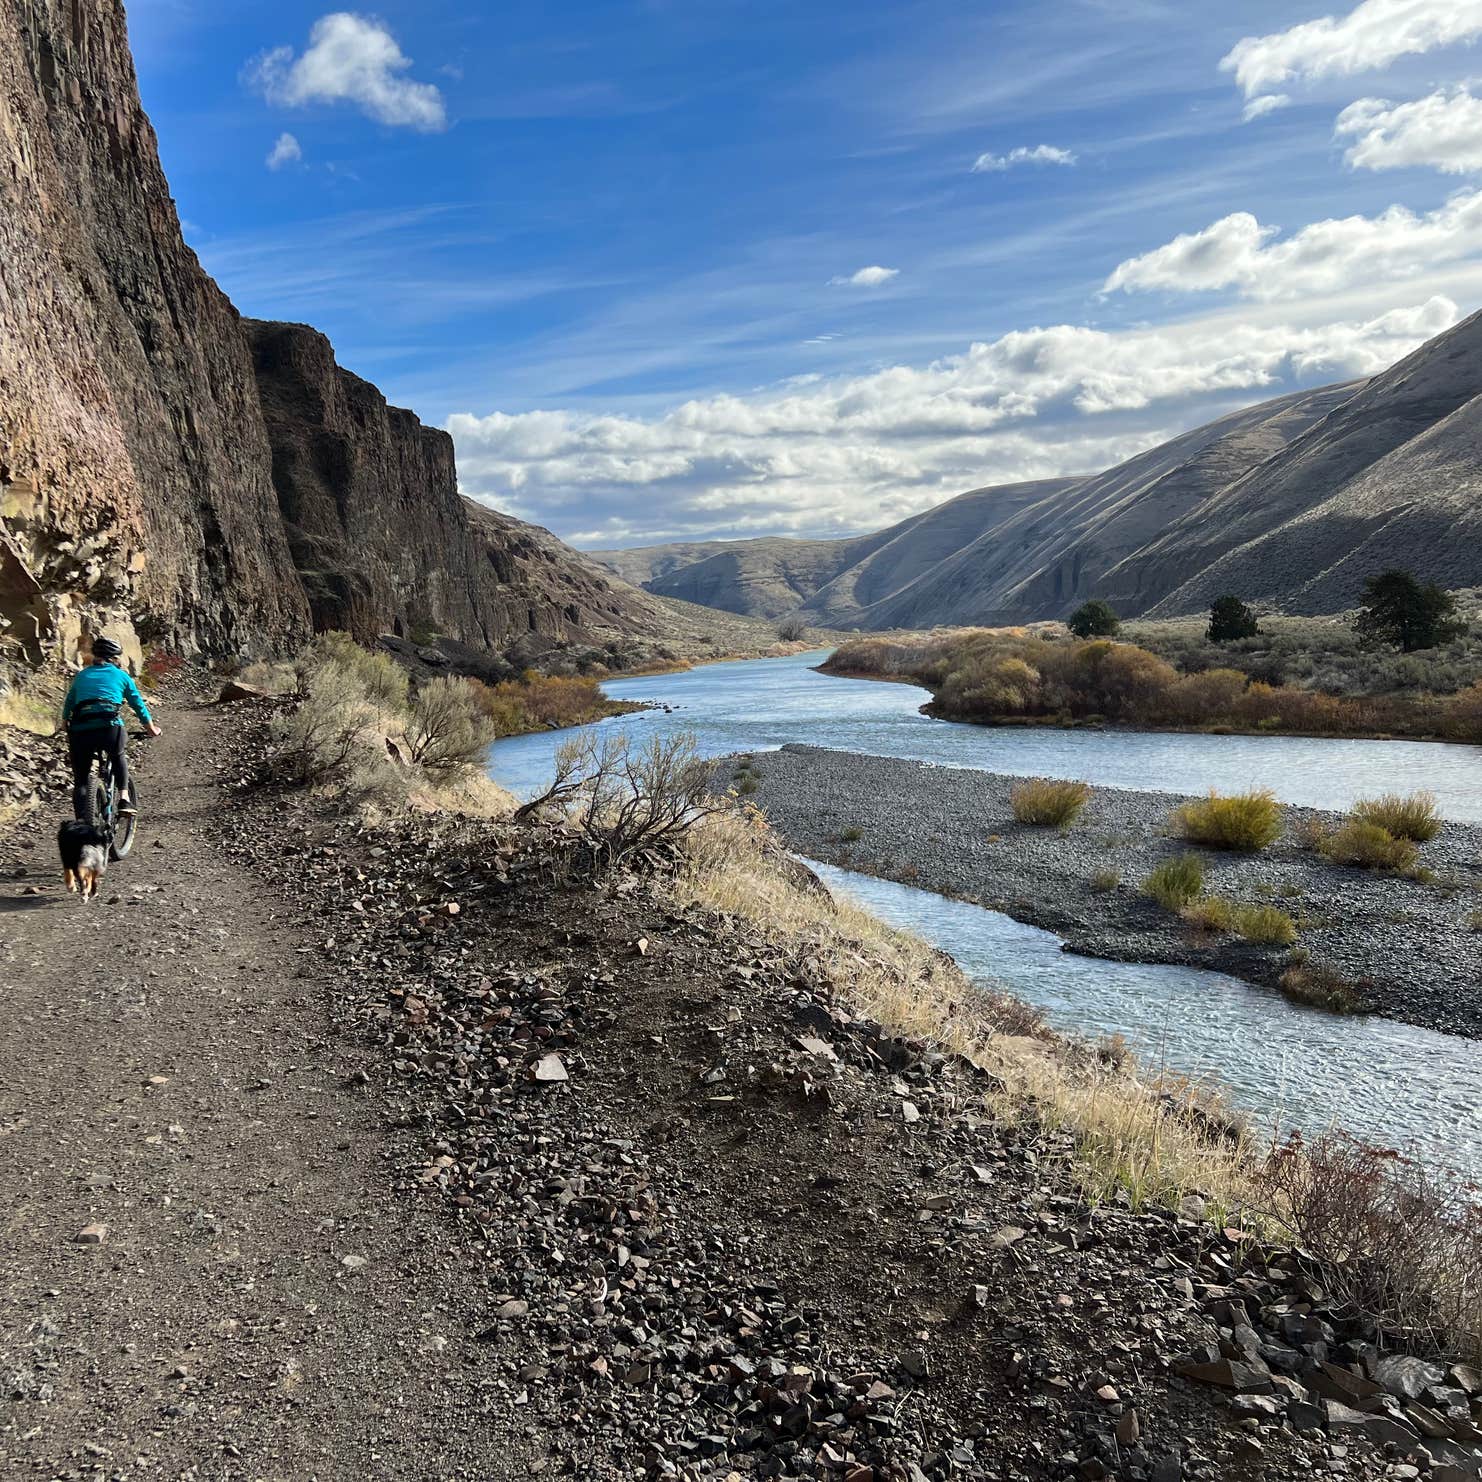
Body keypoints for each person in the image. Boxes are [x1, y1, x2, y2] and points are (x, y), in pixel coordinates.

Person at [62, 637, 160, 818]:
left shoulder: (82, 675)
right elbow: (137, 704)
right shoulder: (122, 676)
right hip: (109, 728)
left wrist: (64, 723)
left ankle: (82, 825)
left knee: (81, 781)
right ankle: (124, 798)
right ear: (114, 658)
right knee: (117, 754)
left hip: (80, 730)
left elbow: (69, 702)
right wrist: (150, 728)